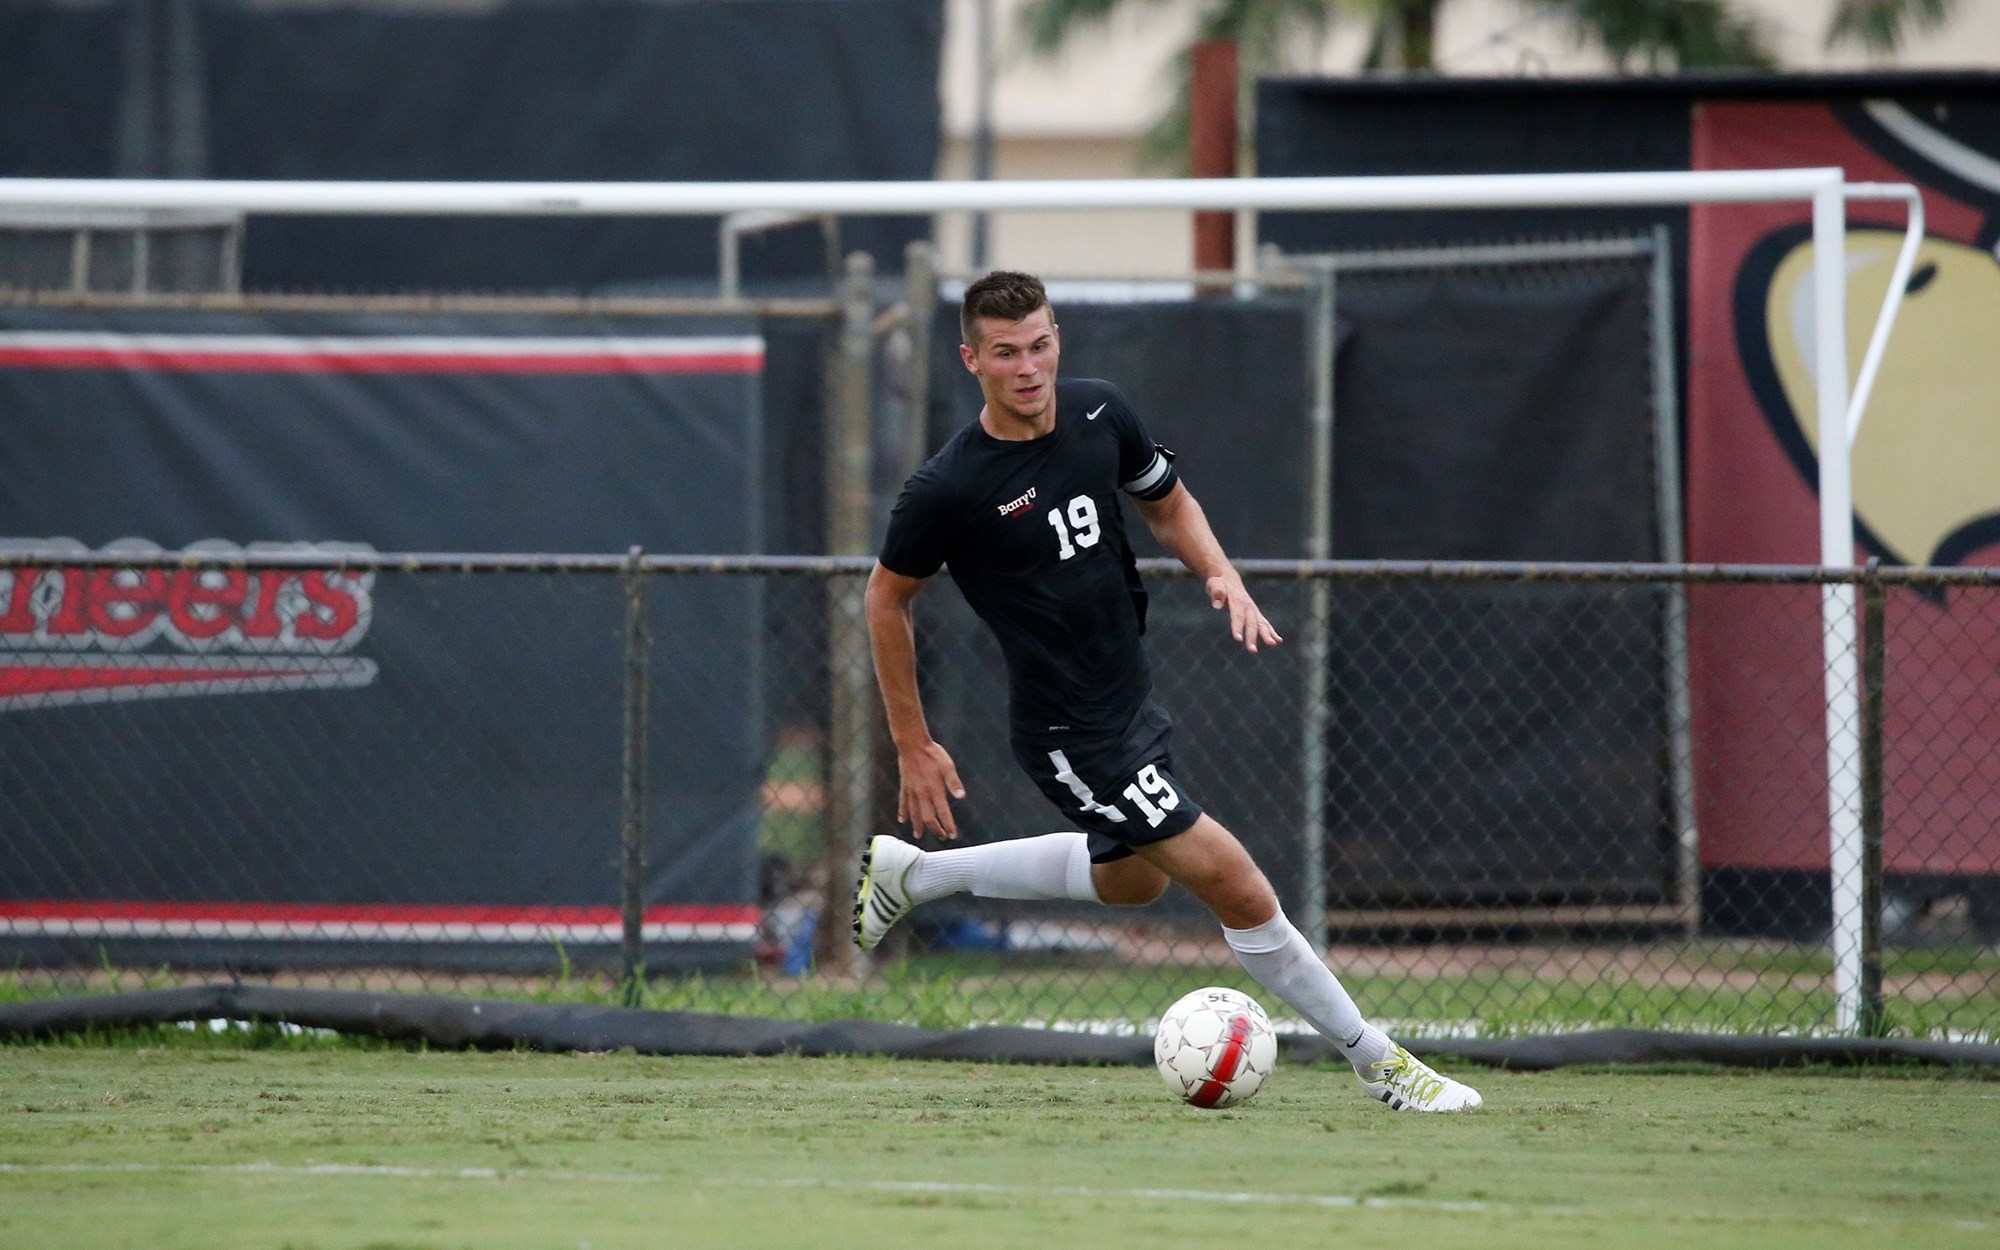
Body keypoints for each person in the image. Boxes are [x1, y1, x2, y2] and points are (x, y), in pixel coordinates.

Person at [854, 271, 1480, 1113]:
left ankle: (919, 875)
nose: (1028, 367)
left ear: (1057, 339)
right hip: (1070, 732)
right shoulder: (948, 488)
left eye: (1040, 344)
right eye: (1005, 353)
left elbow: (1169, 503)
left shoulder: (1099, 412)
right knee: (1239, 885)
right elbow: (884, 599)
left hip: (1128, 703)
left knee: (1133, 884)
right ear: (972, 360)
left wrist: (1220, 573)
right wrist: (912, 742)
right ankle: (1380, 1063)